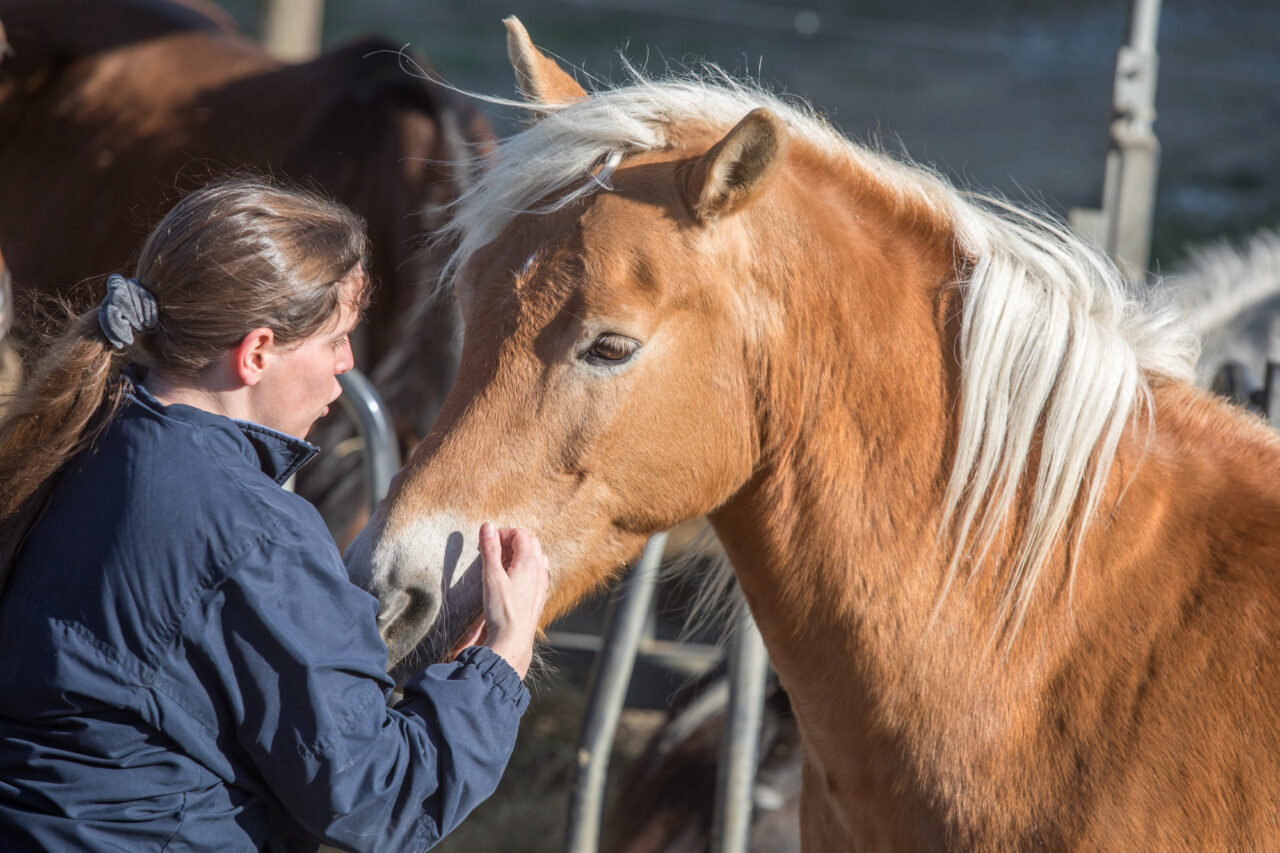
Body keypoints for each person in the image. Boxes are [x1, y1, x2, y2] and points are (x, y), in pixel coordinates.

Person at [0, 177, 550, 851]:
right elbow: (380, 795)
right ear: (257, 352)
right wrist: (503, 657)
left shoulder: (84, 433)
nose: (347, 366)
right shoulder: (249, 532)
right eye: (336, 339)